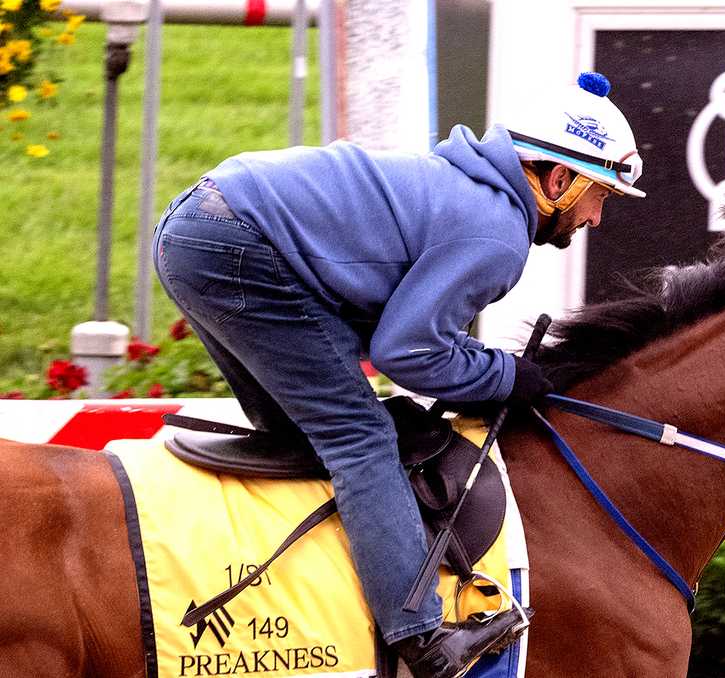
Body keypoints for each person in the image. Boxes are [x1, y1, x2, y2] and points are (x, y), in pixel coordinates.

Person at [151, 71, 642, 678]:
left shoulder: (469, 193)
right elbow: (408, 353)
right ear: (559, 180)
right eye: (601, 196)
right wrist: (509, 377)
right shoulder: (497, 234)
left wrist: (491, 373)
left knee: (309, 436)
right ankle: (424, 643)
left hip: (202, 224)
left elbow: (408, 339)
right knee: (361, 439)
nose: (597, 218)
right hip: (233, 238)